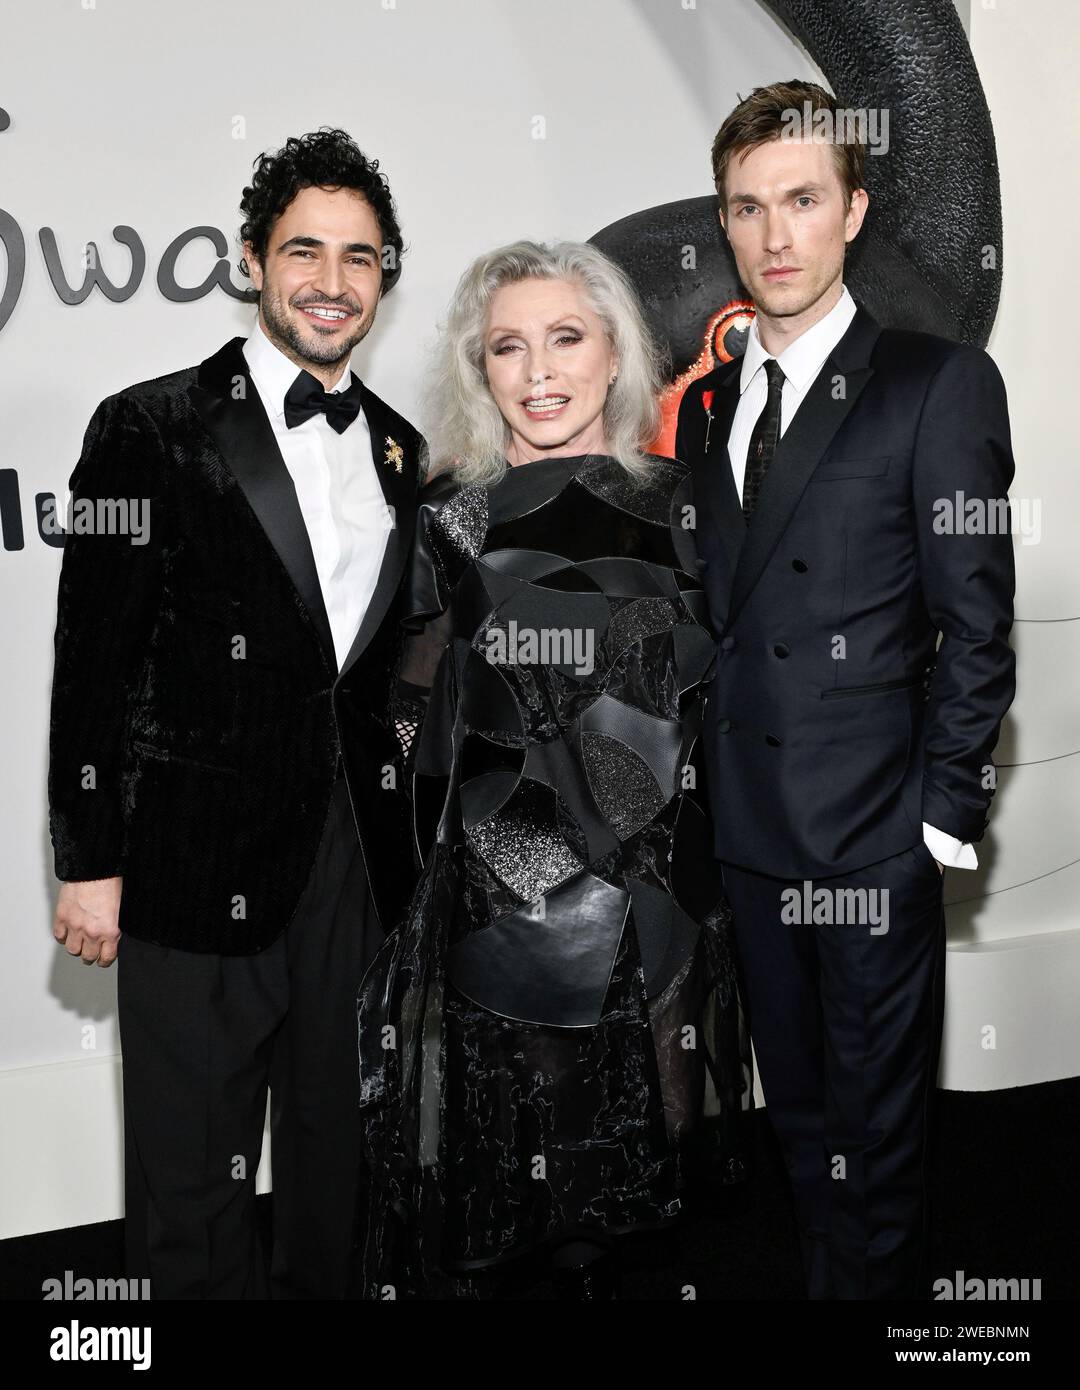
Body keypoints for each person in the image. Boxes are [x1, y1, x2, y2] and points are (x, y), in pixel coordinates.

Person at [48, 128, 424, 1298]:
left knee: (336, 1163)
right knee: (190, 1188)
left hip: (349, 877)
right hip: (185, 865)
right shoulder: (147, 426)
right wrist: (88, 860)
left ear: (385, 275)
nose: (330, 280)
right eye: (303, 250)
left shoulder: (406, 451)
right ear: (252, 263)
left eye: (359, 257)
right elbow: (90, 664)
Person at [356, 240, 751, 1299]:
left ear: (615, 352)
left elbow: (734, 685)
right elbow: (410, 718)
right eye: (508, 347)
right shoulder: (449, 517)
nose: (538, 370)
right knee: (536, 1195)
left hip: (661, 878)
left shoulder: (685, 502)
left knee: (656, 1169)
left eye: (565, 338)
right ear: (478, 369)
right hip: (512, 886)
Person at [675, 80, 1017, 1299]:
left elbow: (979, 629)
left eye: (802, 201)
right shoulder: (711, 404)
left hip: (871, 841)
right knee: (802, 1129)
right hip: (753, 842)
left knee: (875, 1149)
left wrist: (934, 826)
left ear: (853, 210)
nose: (775, 236)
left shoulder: (936, 382)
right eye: (749, 207)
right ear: (726, 222)